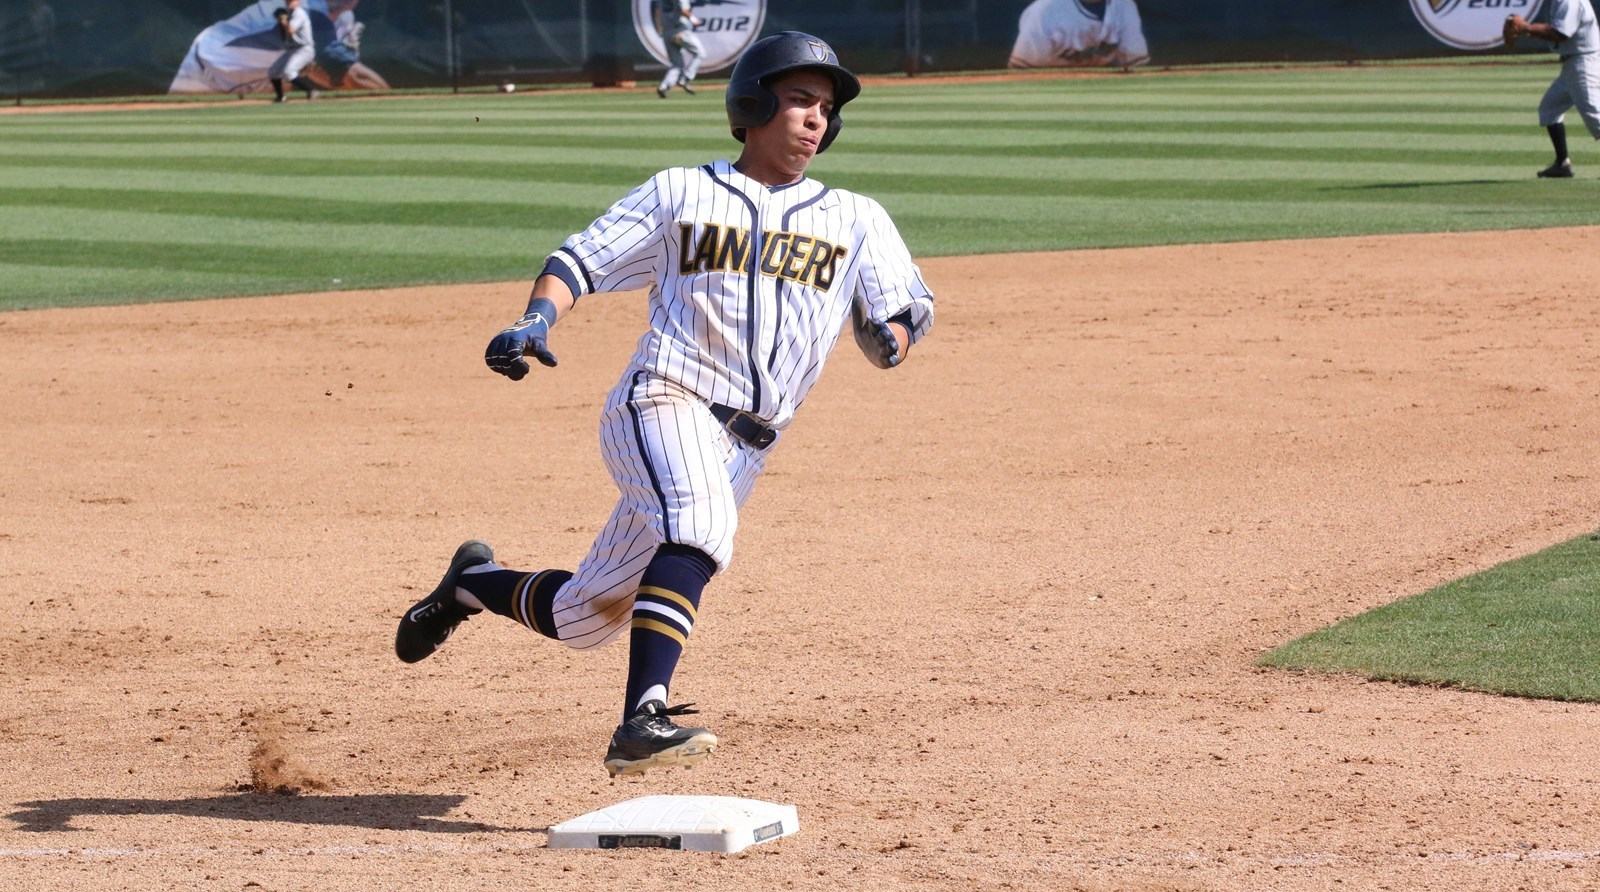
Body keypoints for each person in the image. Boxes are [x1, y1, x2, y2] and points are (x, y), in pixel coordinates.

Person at [395, 31, 935, 778]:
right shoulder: (683, 192)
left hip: (748, 447)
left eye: (826, 107)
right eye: (801, 99)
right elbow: (579, 258)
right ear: (752, 104)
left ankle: (468, 584)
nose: (816, 118)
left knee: (587, 616)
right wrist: (536, 320)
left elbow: (908, 305)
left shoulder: (856, 218)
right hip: (662, 401)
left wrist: (895, 339)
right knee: (703, 529)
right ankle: (642, 716)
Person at [1505, 0, 1600, 178]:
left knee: (1595, 116)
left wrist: (1526, 28)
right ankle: (1562, 164)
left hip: (1583, 63)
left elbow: (1560, 34)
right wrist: (1527, 29)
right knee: (1550, 109)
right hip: (1573, 63)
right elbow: (1554, 30)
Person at [1009, 0, 1149, 69]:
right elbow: (1020, 70)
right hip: (1051, 92)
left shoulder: (1124, 6)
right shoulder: (1044, 11)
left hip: (1106, 92)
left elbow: (1136, 64)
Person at [269, 0, 319, 102]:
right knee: (273, 71)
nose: (289, 2)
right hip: (293, 50)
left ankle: (312, 90)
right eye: (287, 0)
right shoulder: (289, 13)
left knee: (289, 71)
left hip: (304, 49)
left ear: (297, 1)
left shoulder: (298, 13)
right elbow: (285, 35)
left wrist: (283, 21)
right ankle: (281, 97)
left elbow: (291, 30)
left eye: (291, 1)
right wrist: (281, 22)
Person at [655, 0, 705, 98]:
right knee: (700, 54)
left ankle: (664, 86)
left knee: (676, 63)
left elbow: (657, 12)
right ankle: (685, 78)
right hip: (680, 30)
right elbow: (683, 10)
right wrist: (694, 20)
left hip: (667, 31)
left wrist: (660, 30)